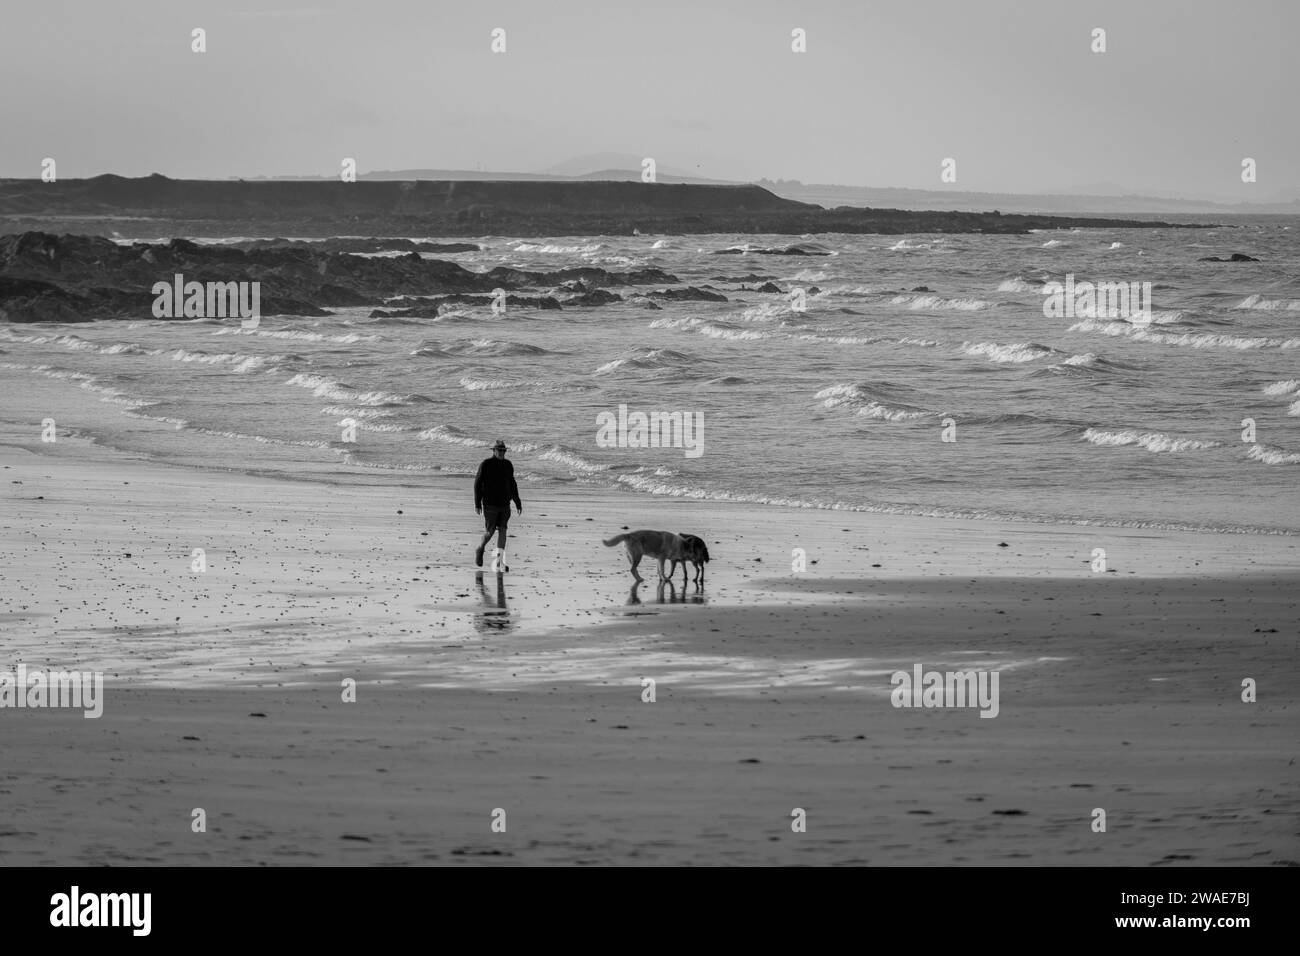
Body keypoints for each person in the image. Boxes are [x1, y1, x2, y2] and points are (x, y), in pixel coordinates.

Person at [474, 439, 522, 569]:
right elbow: (477, 483)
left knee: (503, 531)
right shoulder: (486, 464)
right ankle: (480, 548)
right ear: (494, 451)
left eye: (503, 451)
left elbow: (512, 484)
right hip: (490, 504)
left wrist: (517, 501)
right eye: (499, 450)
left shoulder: (508, 465)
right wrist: (477, 503)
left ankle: (499, 561)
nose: (501, 453)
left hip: (505, 504)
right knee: (489, 532)